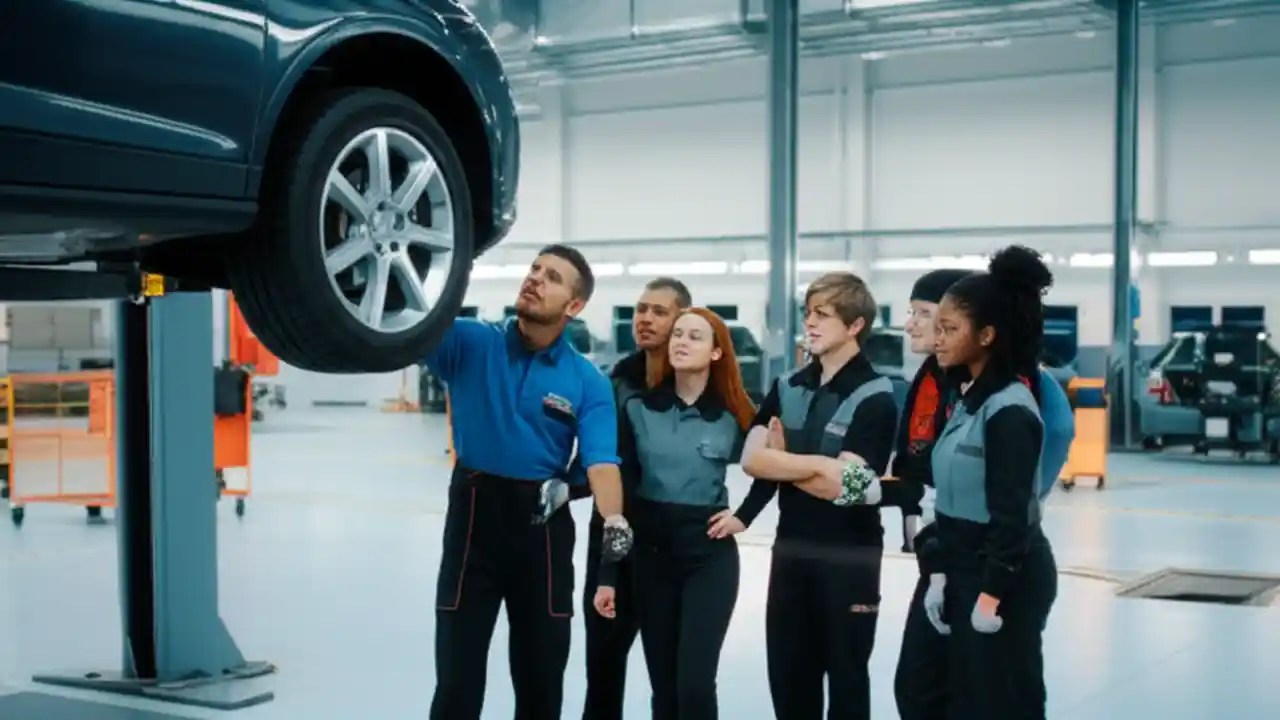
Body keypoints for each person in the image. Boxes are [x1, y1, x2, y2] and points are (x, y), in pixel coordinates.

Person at [424, 244, 628, 720]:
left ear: (574, 306)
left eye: (553, 277)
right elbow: (404, 332)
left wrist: (613, 515)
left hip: (544, 531)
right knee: (456, 682)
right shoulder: (471, 343)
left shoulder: (587, 381)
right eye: (534, 269)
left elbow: (601, 461)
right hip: (473, 522)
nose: (535, 278)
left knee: (541, 682)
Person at [893, 267, 1076, 720]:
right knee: (921, 690)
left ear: (987, 335)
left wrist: (991, 595)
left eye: (946, 326)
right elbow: (934, 484)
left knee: (994, 702)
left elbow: (1015, 510)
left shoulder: (1011, 407)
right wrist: (936, 567)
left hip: (998, 570)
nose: (932, 335)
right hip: (953, 559)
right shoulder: (961, 394)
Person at [725, 271, 901, 720]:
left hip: (851, 558)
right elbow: (752, 462)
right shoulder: (788, 386)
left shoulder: (877, 397)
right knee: (789, 679)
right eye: (808, 313)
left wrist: (782, 461)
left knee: (846, 681)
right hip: (792, 552)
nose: (811, 323)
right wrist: (817, 466)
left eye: (823, 315)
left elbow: (846, 487)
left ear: (855, 324)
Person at [593, 307, 755, 720]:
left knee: (695, 685)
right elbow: (619, 501)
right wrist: (608, 575)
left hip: (709, 559)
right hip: (651, 561)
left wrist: (745, 515)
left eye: (695, 336)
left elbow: (773, 465)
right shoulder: (637, 409)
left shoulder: (736, 415)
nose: (681, 342)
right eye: (677, 334)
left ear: (718, 353)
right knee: (664, 690)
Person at [582, 276, 692, 720]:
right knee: (603, 670)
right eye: (641, 309)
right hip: (611, 538)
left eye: (659, 311)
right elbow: (602, 457)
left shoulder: (695, 385)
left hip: (667, 546)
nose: (645, 318)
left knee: (669, 676)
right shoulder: (617, 381)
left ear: (683, 319)